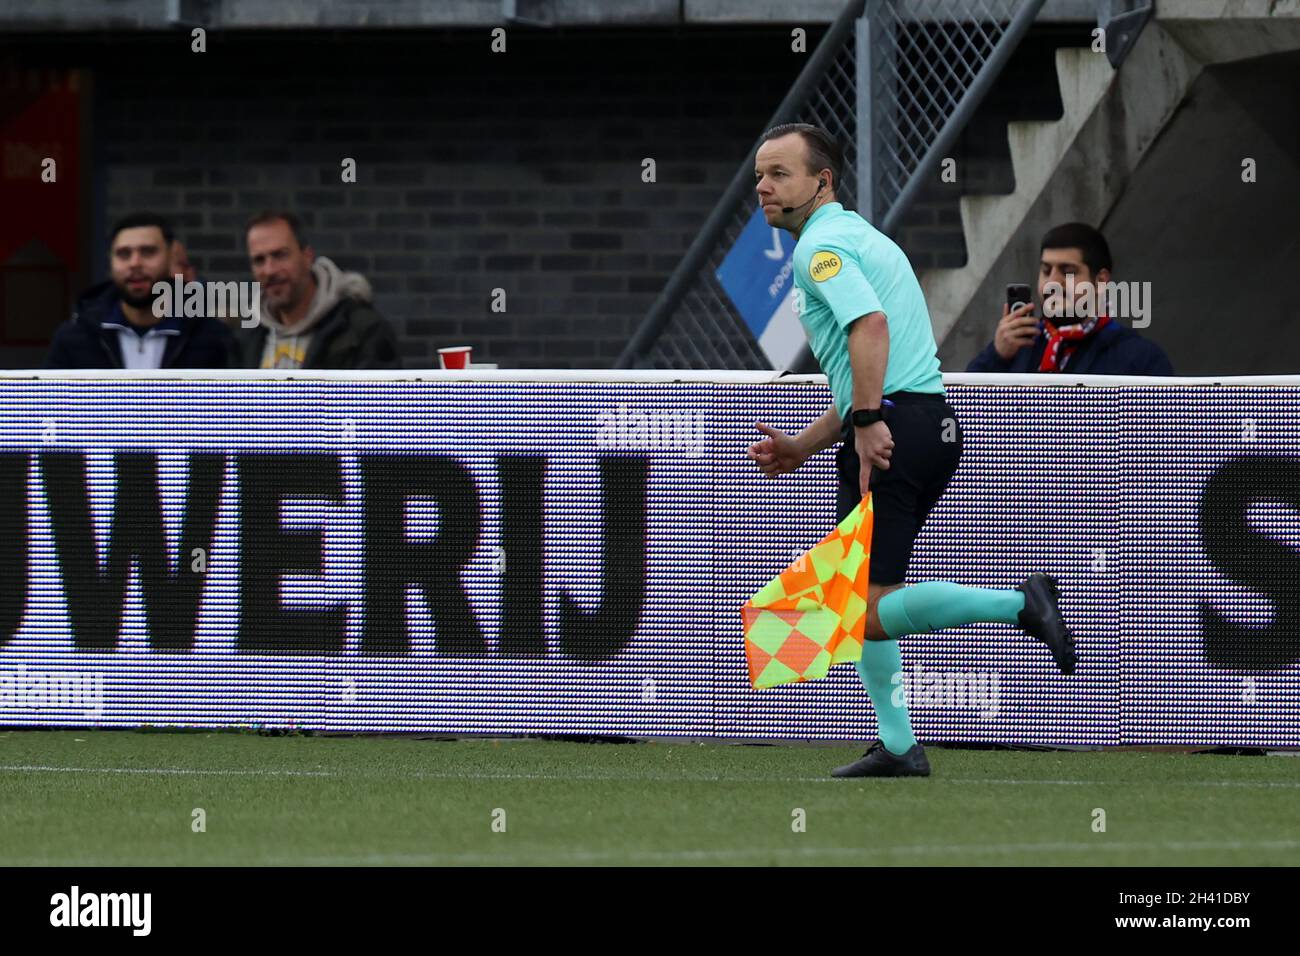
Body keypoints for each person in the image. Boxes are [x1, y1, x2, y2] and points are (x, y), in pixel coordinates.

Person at [747, 123, 1076, 779]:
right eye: (759, 174)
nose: (763, 187)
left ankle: (1020, 603)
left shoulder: (822, 251)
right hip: (925, 424)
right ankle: (897, 745)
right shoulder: (861, 237)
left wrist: (869, 422)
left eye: (780, 173)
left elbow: (870, 328)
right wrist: (808, 445)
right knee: (866, 596)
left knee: (859, 609)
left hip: (894, 430)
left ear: (822, 181)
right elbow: (866, 365)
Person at [966, 222, 1174, 374]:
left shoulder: (1140, 359)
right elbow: (963, 415)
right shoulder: (1014, 347)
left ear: (1101, 281)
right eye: (1046, 271)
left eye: (1068, 272)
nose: (1052, 283)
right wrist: (997, 356)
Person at [46, 213, 231, 369]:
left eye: (148, 252)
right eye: (123, 254)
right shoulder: (75, 337)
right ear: (110, 262)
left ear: (170, 258)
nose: (135, 263)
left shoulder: (210, 336)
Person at [234, 211, 400, 369]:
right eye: (259, 260)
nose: (269, 270)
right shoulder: (246, 339)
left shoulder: (362, 331)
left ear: (307, 257)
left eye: (280, 255)